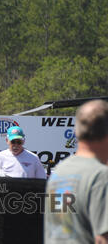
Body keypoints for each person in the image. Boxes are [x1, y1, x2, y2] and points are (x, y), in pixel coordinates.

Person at [45, 99, 108, 244]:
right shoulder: (101, 176)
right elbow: (103, 239)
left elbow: (59, 228)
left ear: (77, 132)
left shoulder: (59, 172)